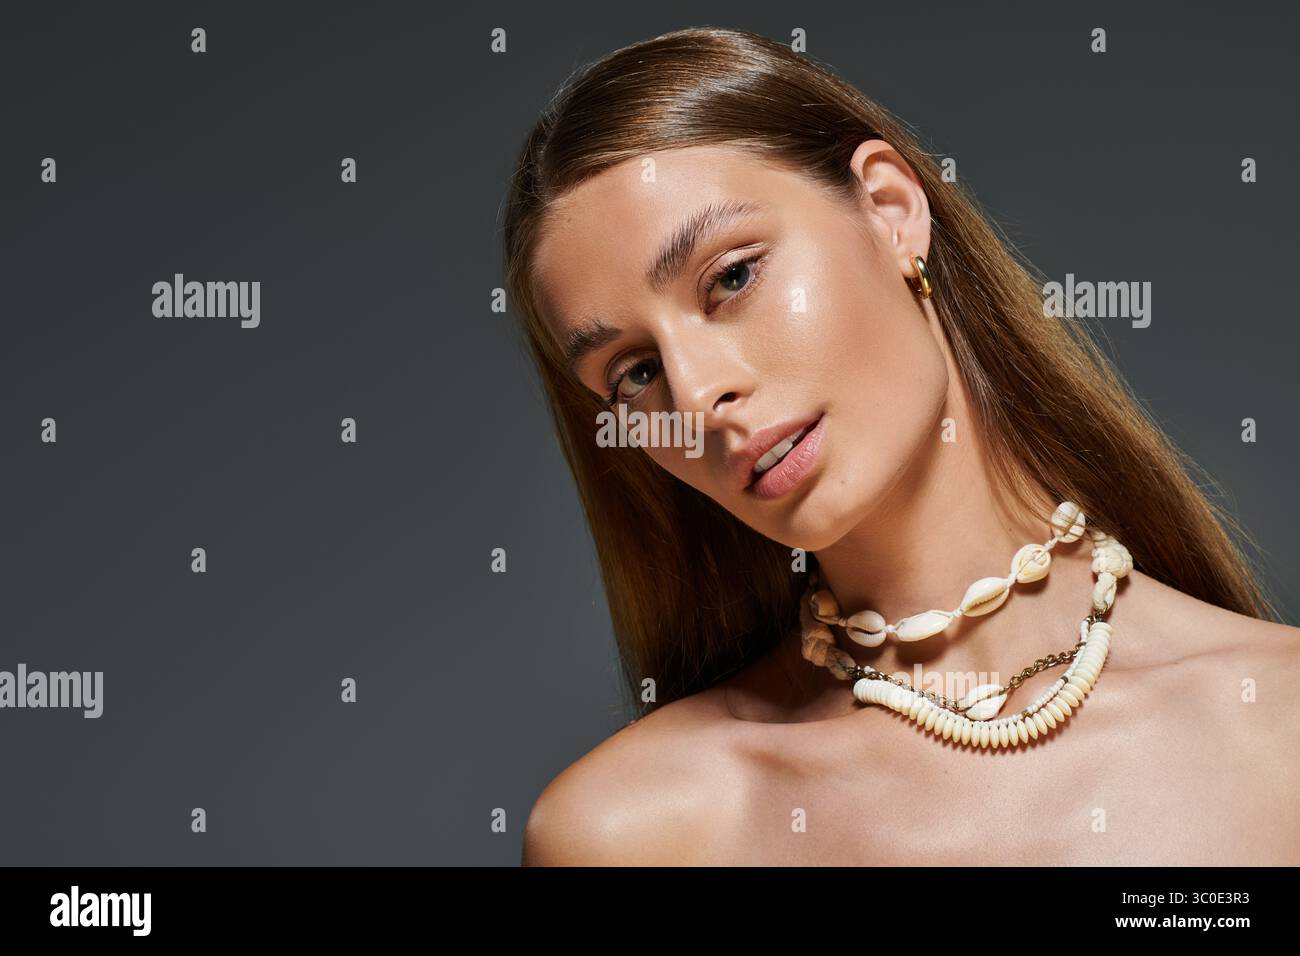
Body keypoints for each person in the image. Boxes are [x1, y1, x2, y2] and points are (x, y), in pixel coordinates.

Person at [499, 27, 1300, 865]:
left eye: (732, 277)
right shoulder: (636, 830)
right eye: (633, 372)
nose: (696, 396)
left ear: (889, 211)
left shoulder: (1275, 730)